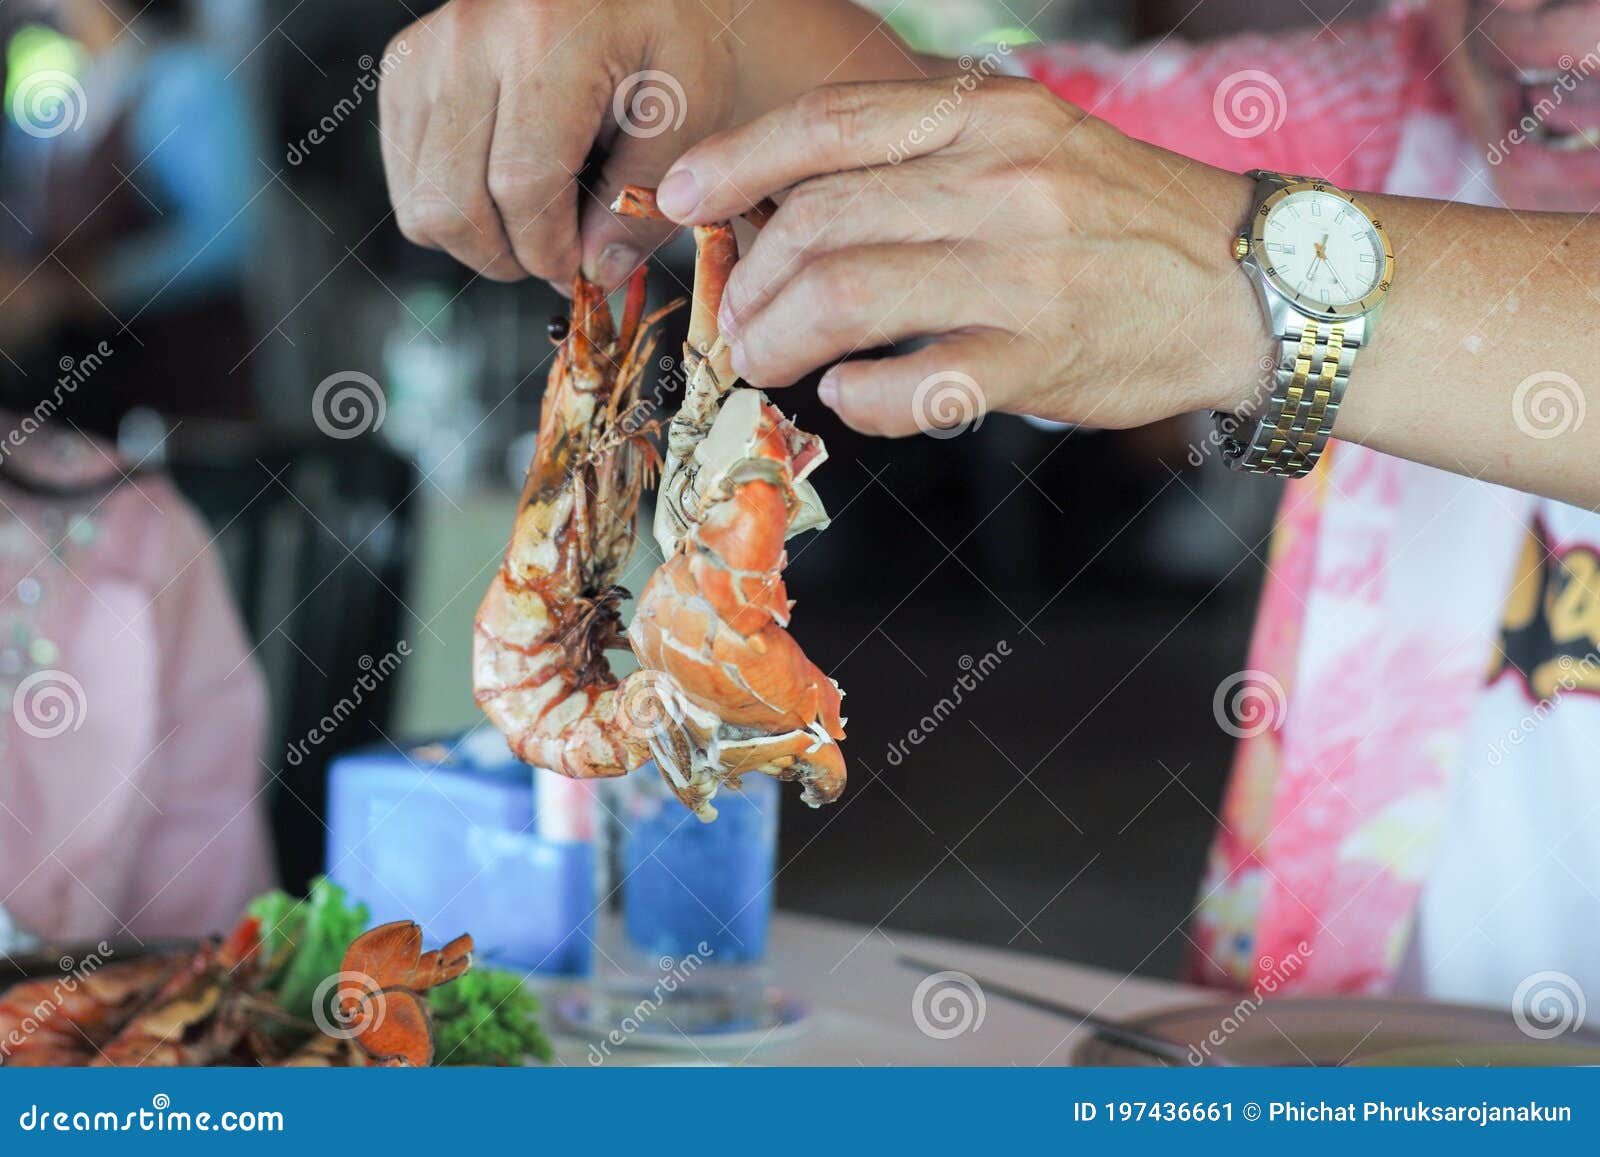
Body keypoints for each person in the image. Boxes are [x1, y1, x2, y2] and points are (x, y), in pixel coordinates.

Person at [379, 0, 1600, 1005]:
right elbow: (989, 141)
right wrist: (692, 33)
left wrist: (1250, 276)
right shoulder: (1430, 88)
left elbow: (1156, 219)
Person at [0, 0, 260, 437]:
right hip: (83, 399)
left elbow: (229, 234)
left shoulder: (185, 80)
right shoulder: (58, 96)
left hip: (181, 386)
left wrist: (95, 286)